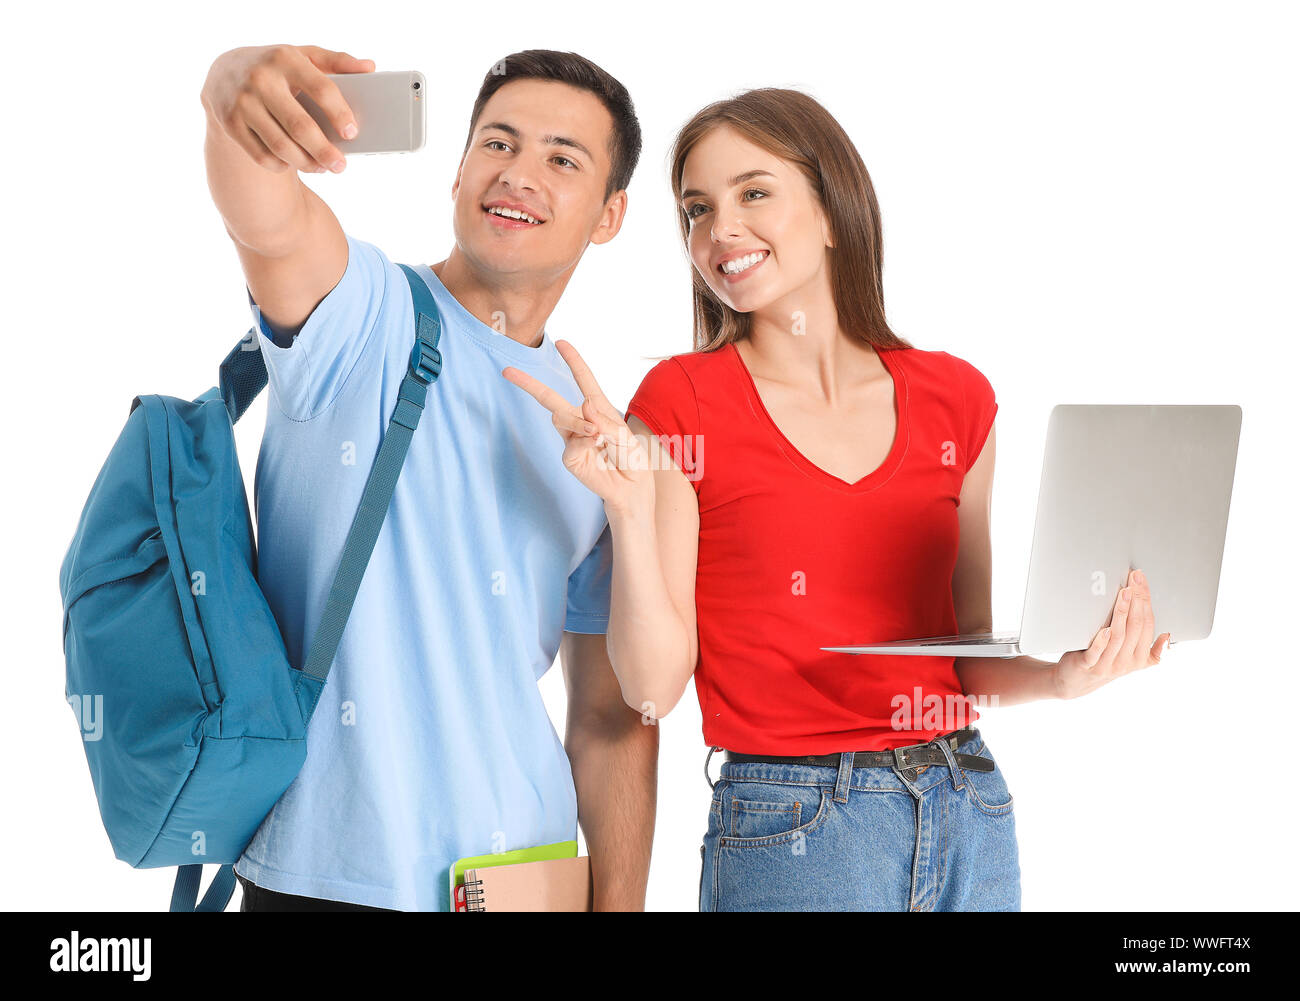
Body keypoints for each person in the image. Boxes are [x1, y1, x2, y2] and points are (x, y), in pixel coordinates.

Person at [506, 87, 1170, 911]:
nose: (719, 232)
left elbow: (961, 657)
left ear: (830, 209)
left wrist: (1067, 675)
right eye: (697, 209)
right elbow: (653, 687)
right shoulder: (682, 402)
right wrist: (629, 514)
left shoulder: (957, 398)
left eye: (754, 193)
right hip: (796, 828)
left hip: (969, 804)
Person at [200, 43, 657, 911]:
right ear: (456, 174)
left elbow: (609, 718)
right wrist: (232, 93)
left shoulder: (599, 430)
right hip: (326, 875)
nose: (519, 173)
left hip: (529, 877)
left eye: (563, 159)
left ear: (609, 215)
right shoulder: (362, 312)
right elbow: (267, 218)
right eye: (498, 142)